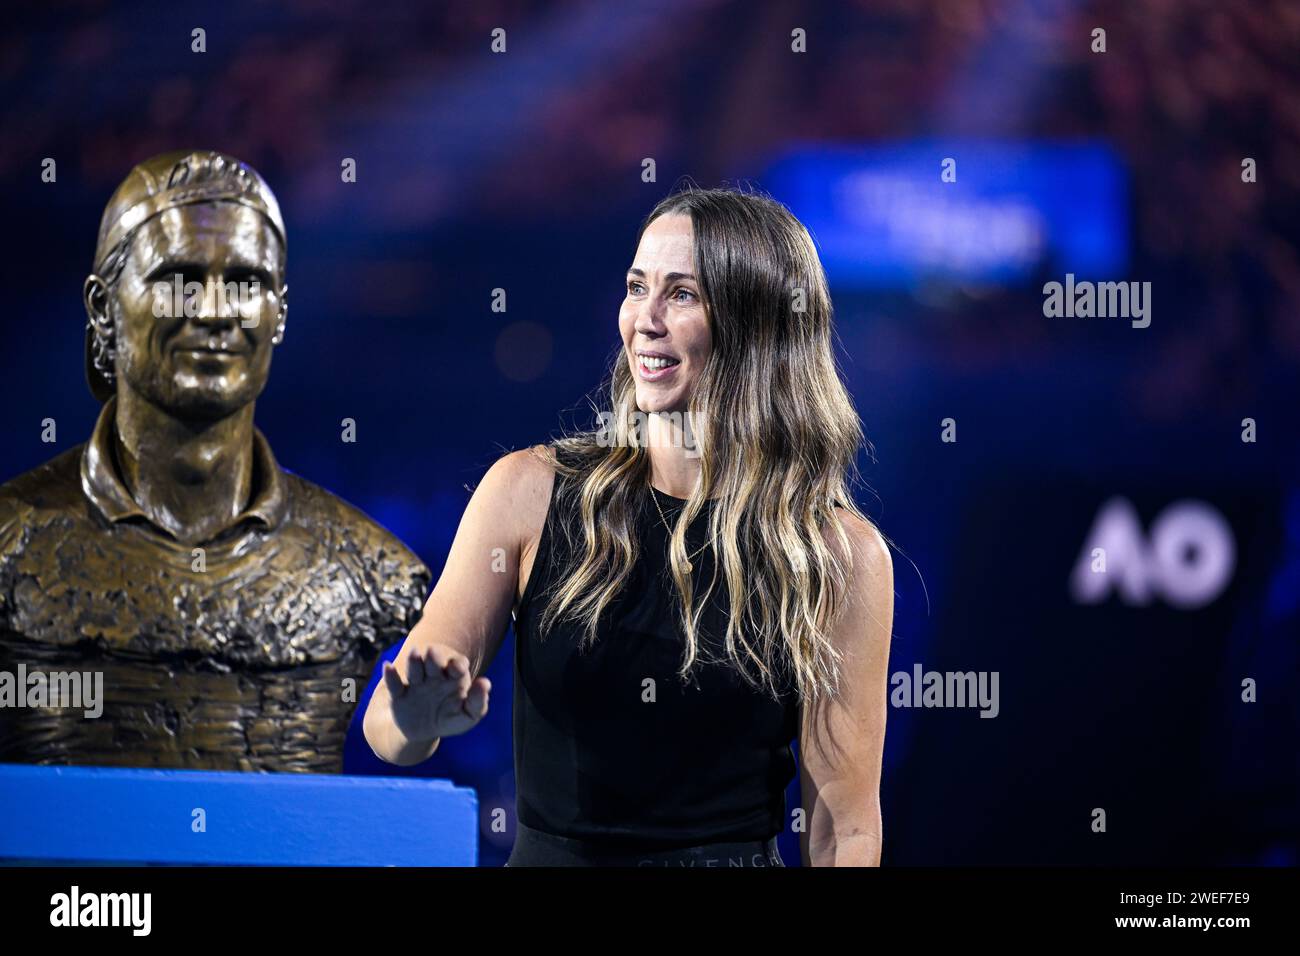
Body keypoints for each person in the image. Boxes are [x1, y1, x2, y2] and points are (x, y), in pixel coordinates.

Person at [363, 187, 893, 866]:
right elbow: (388, 725)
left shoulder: (839, 554)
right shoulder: (527, 492)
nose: (644, 319)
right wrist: (414, 718)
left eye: (681, 294)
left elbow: (844, 832)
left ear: (756, 322)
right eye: (636, 286)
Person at [0, 150, 429, 771]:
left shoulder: (370, 572)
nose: (212, 311)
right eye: (177, 279)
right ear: (102, 309)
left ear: (279, 313)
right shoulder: (12, 547)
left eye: (247, 284)